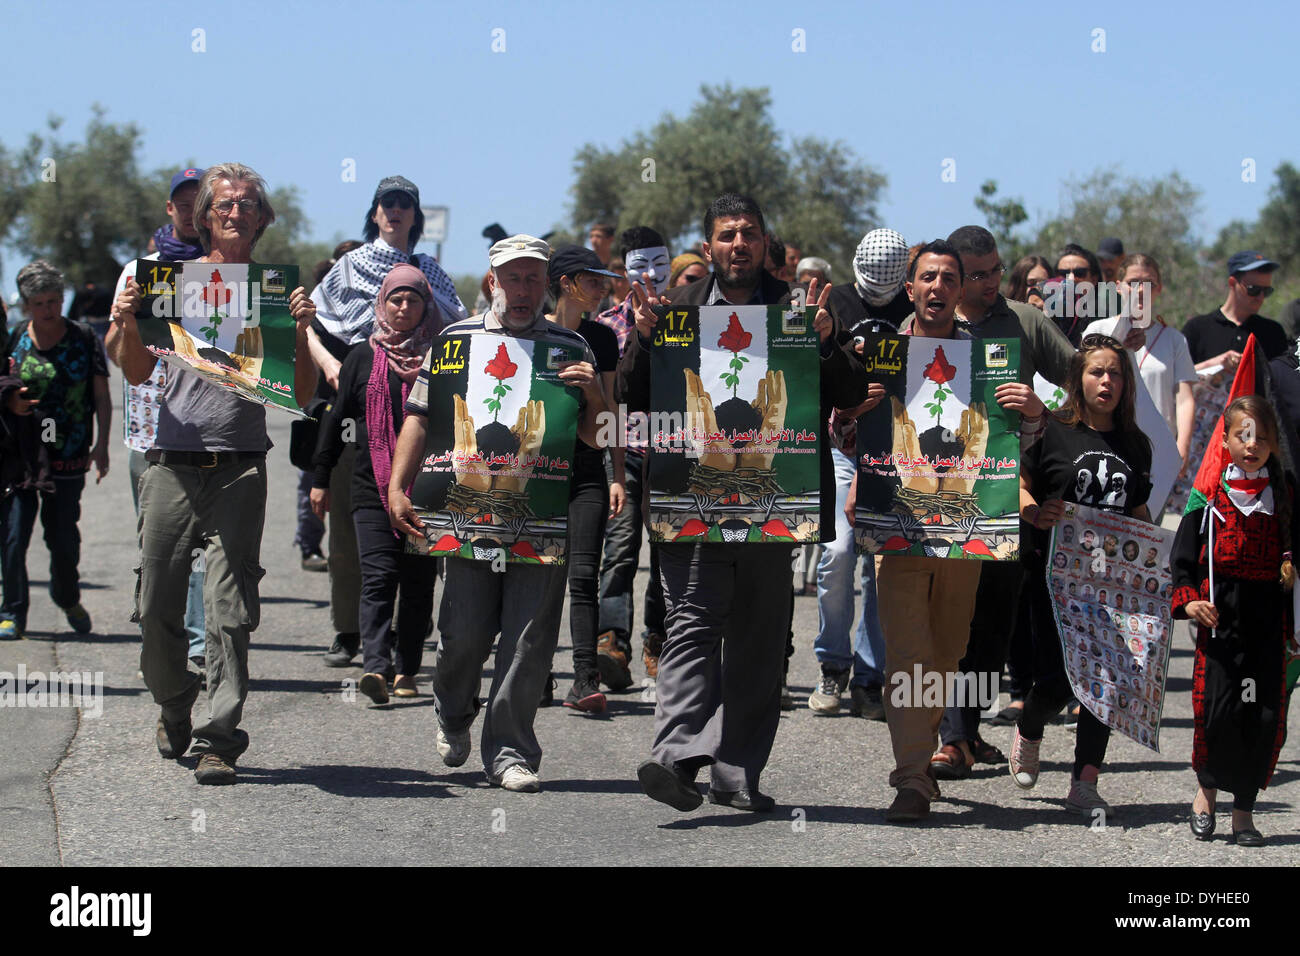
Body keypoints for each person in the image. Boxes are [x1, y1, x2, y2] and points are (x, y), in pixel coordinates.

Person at [620, 193, 847, 812]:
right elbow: (634, 394)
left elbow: (849, 389)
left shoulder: (797, 309)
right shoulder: (676, 310)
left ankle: (735, 775)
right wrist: (643, 339)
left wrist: (827, 341)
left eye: (749, 233)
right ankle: (675, 758)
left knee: (758, 640)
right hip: (689, 498)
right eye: (727, 234)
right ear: (710, 244)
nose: (738, 244)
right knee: (690, 624)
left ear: (765, 242)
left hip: (776, 500)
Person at [109, 162, 318, 784]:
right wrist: (124, 320)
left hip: (239, 468)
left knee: (231, 609)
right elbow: (138, 372)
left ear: (264, 219)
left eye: (249, 203)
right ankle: (174, 705)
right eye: (225, 203)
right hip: (169, 464)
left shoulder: (272, 293)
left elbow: (299, 395)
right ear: (203, 217)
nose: (237, 211)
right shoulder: (171, 283)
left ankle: (220, 736)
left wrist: (302, 334)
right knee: (156, 606)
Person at [388, 235, 608, 794]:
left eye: (533, 278)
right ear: (492, 282)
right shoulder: (454, 342)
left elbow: (597, 437)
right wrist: (396, 486)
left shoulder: (571, 346)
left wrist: (598, 395)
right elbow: (418, 417)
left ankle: (510, 750)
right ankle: (453, 710)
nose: (522, 289)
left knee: (530, 639)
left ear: (548, 285)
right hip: (465, 514)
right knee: (462, 634)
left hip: (541, 515)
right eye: (512, 278)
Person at [930, 226, 1076, 780]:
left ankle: (966, 728)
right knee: (947, 617)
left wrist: (1042, 410)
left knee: (993, 622)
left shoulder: (1026, 321)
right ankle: (955, 738)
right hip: (935, 493)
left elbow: (1082, 384)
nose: (991, 283)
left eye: (996, 270)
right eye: (977, 274)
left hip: (1006, 496)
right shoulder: (925, 321)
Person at [308, 176, 467, 668]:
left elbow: (458, 326)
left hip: (419, 416)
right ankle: (348, 631)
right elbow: (310, 322)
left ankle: (407, 638)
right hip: (360, 409)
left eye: (405, 204)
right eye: (386, 203)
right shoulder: (350, 266)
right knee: (351, 539)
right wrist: (330, 365)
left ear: (415, 216)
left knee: (418, 534)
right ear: (375, 213)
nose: (395, 211)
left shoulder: (430, 271)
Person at [1011, 333, 1154, 817]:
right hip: (1052, 578)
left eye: (1115, 372)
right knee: (1061, 680)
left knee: (1105, 681)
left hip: (1110, 584)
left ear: (1125, 383)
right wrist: (1034, 515)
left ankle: (1085, 781)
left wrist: (1155, 566)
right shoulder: (1052, 431)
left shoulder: (1135, 443)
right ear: (1078, 379)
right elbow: (1019, 485)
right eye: (1097, 371)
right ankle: (1031, 725)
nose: (1106, 380)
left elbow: (1138, 511)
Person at [311, 265, 444, 704]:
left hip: (427, 489)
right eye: (396, 300)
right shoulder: (361, 357)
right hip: (370, 485)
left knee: (419, 582)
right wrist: (321, 478)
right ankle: (376, 667)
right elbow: (336, 418)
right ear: (382, 304)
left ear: (427, 306)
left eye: (413, 300)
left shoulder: (444, 356)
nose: (404, 308)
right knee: (378, 577)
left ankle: (407, 668)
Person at [1173, 397, 1297, 846]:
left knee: (1262, 717)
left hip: (1267, 623)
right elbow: (1183, 562)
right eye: (1243, 435)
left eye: (1262, 437)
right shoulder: (1209, 495)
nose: (1252, 444)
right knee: (1216, 713)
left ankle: (1243, 812)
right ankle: (1206, 792)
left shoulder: (1283, 493)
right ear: (1225, 439)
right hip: (1219, 620)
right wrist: (1190, 603)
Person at [808, 228, 912, 719]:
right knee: (838, 553)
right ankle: (833, 661)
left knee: (880, 565)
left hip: (897, 453)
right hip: (843, 446)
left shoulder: (913, 311)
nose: (879, 294)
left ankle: (871, 674)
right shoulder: (839, 303)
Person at [109, 167, 208, 669]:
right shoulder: (138, 271)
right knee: (158, 546)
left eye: (199, 200)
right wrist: (126, 319)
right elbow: (113, 350)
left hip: (210, 434)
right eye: (182, 201)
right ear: (170, 209)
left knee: (201, 550)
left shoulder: (224, 272)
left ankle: (196, 641)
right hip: (149, 432)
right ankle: (158, 629)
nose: (190, 209)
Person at [0, 261, 110, 640]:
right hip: (23, 459)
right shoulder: (14, 338)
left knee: (62, 538)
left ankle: (67, 597)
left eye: (54, 301)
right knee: (13, 536)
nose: (49, 309)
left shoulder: (82, 337)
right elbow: (2, 382)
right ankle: (11, 611)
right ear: (27, 305)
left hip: (69, 454)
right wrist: (11, 402)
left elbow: (100, 394)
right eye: (40, 303)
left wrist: (102, 445)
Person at [544, 246, 625, 711]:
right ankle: (533, 675)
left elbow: (612, 410)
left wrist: (617, 475)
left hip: (588, 469)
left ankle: (585, 680)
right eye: (592, 279)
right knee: (538, 573)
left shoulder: (603, 337)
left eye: (602, 280)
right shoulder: (534, 332)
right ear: (566, 282)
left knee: (582, 576)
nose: (602, 287)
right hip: (534, 472)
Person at [593, 226, 673, 687]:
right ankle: (612, 643)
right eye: (640, 266)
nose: (651, 274)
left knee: (666, 550)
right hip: (622, 452)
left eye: (660, 264)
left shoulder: (689, 322)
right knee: (620, 550)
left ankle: (656, 641)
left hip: (674, 450)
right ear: (623, 272)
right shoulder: (607, 327)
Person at [1082, 253, 1197, 478]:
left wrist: (1182, 447)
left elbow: (1184, 399)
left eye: (1149, 283)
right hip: (1104, 444)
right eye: (1133, 283)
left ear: (1159, 289)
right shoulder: (1098, 330)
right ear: (1118, 287)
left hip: (1156, 451)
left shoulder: (1173, 339)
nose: (1141, 290)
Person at [298, 238, 363, 573]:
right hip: (320, 402)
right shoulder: (318, 302)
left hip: (353, 407)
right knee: (311, 474)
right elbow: (306, 334)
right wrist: (326, 362)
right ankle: (309, 545)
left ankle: (352, 550)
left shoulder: (368, 303)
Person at [1184, 251, 1287, 368]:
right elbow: (1176, 379)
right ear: (1232, 283)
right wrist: (1215, 364)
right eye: (1254, 289)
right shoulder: (1197, 329)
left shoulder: (1273, 332)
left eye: (1266, 291)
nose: (1260, 297)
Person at [1047, 243, 1106, 344]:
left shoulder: (1106, 320)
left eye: (1079, 273)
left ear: (1094, 279)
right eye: (1063, 273)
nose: (1071, 278)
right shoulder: (1042, 318)